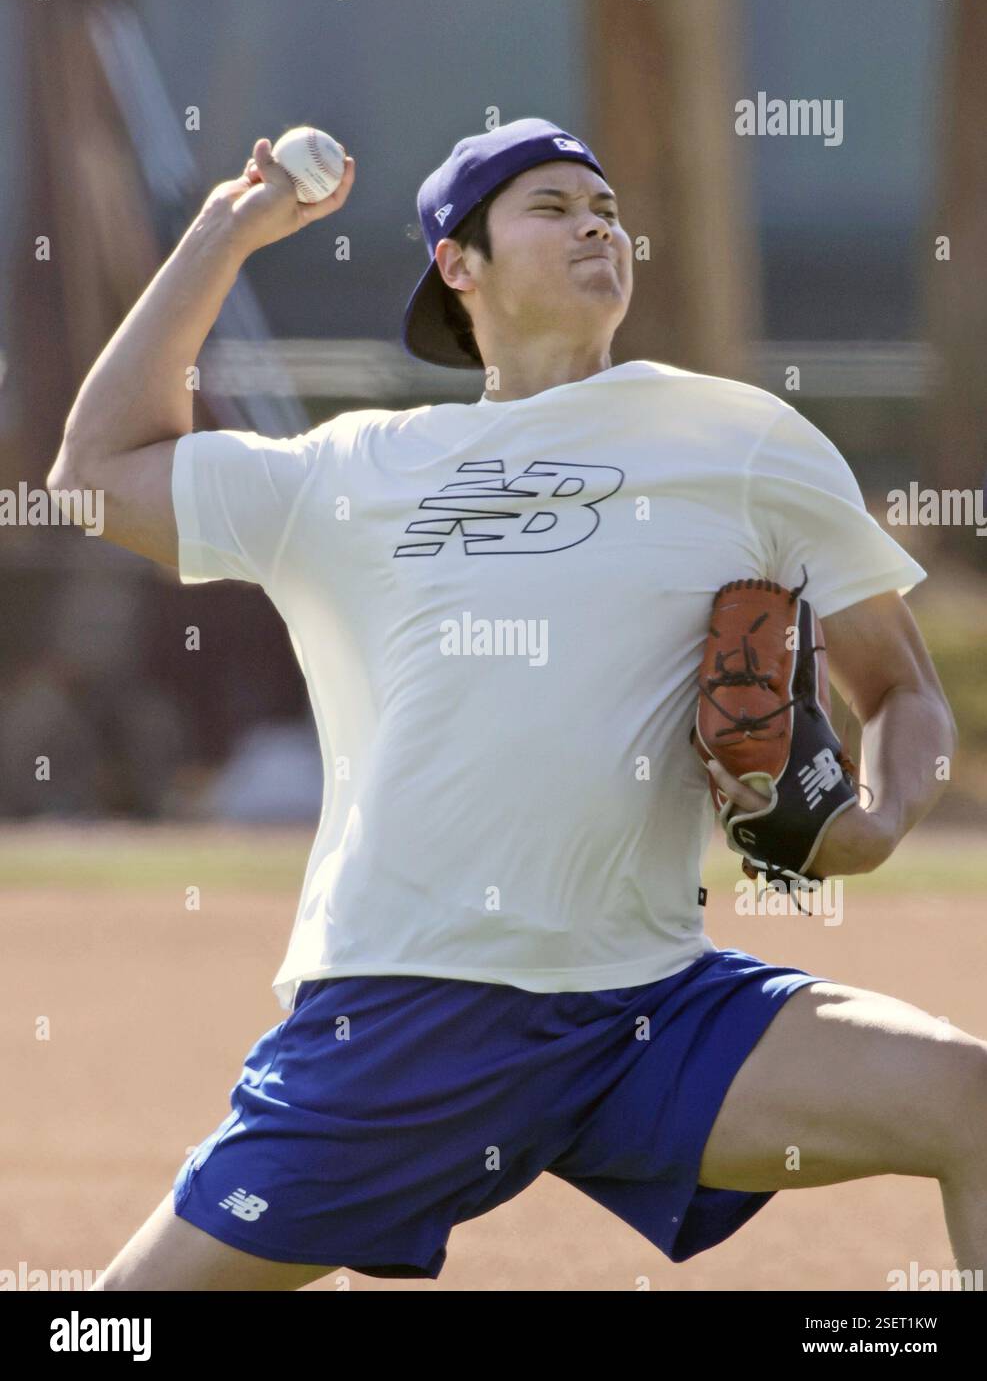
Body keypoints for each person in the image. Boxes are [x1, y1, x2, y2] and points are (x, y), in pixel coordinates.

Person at [48, 118, 980, 1292]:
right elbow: (95, 471)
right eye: (550, 205)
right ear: (459, 265)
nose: (596, 221)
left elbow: (900, 685)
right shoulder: (354, 468)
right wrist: (226, 233)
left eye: (605, 206)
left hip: (645, 1007)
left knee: (971, 1101)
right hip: (402, 1016)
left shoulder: (742, 439)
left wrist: (879, 818)